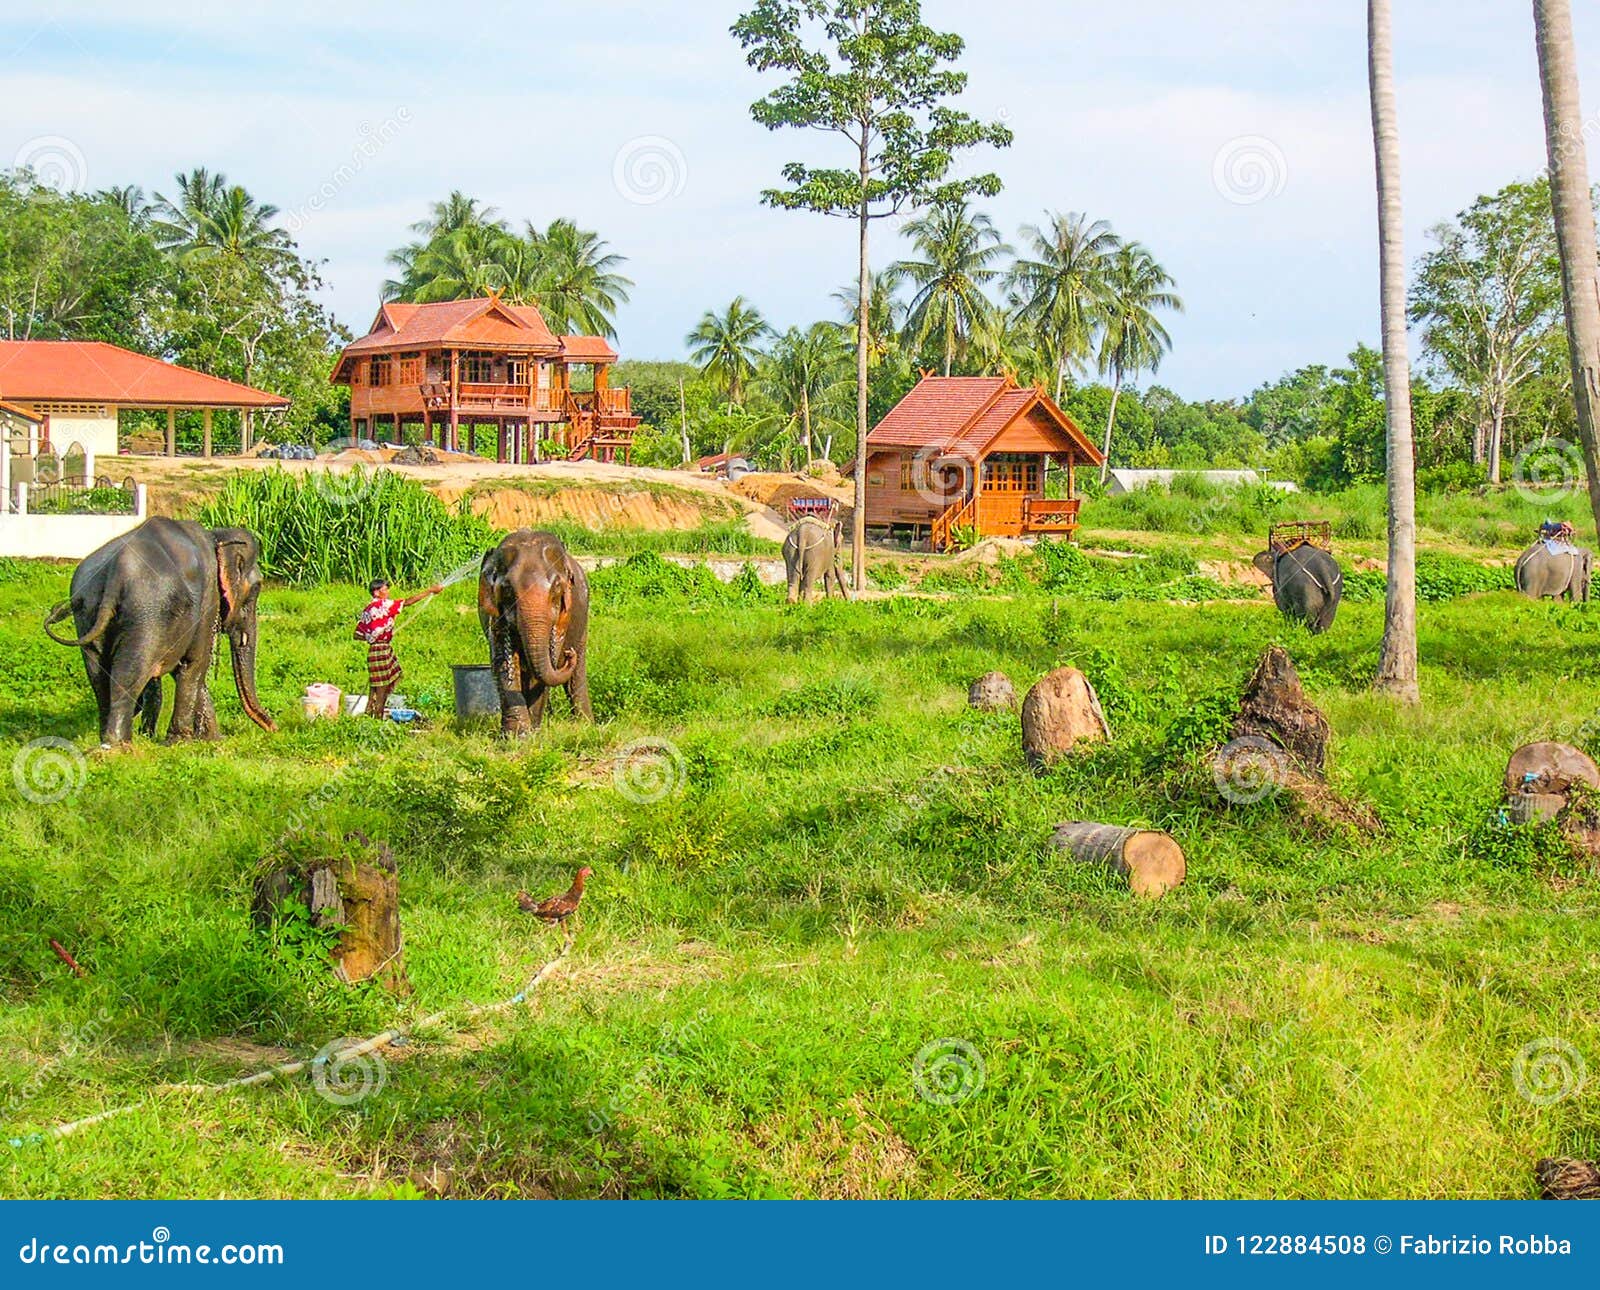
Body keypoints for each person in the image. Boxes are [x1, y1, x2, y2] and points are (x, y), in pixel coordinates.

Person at [354, 578, 442, 718]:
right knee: (382, 686)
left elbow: (357, 634)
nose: (388, 592)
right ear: (376, 592)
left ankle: (371, 712)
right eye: (385, 589)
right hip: (382, 649)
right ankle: (377, 716)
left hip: (374, 650)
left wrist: (373, 636)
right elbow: (408, 602)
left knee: (378, 684)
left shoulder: (367, 609)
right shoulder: (384, 604)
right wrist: (430, 591)